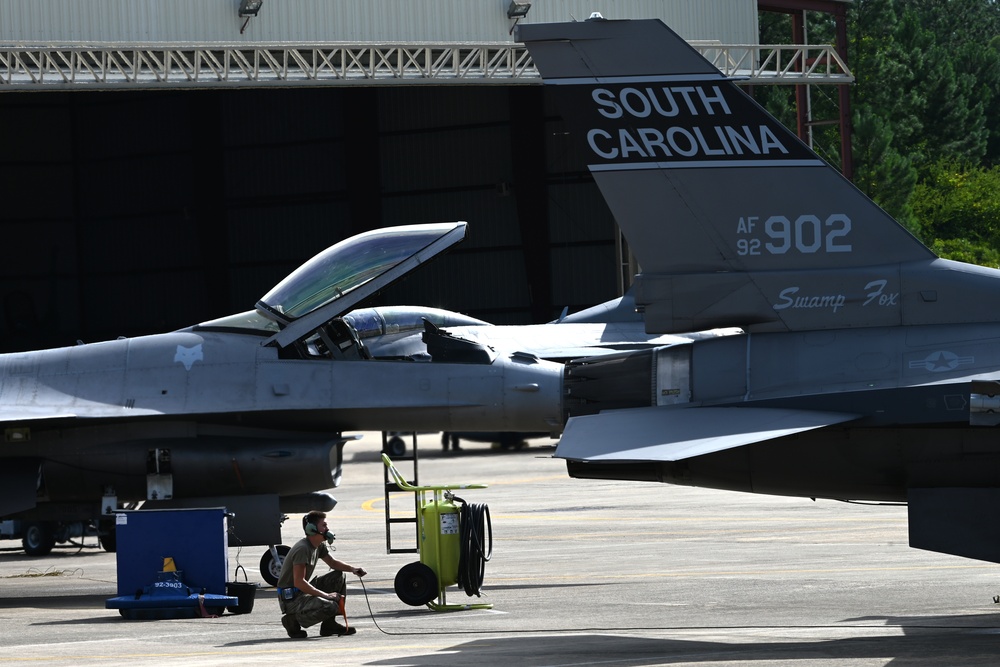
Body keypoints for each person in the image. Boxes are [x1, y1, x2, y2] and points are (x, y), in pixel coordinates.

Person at [275, 510, 367, 639]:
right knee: (329, 605)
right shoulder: (302, 549)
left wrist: (353, 569)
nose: (327, 528)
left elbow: (333, 563)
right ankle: (292, 620)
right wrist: (326, 595)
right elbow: (299, 582)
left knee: (338, 577)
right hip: (291, 599)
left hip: (300, 592)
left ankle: (329, 625)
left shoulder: (318, 545)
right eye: (324, 525)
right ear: (311, 529)